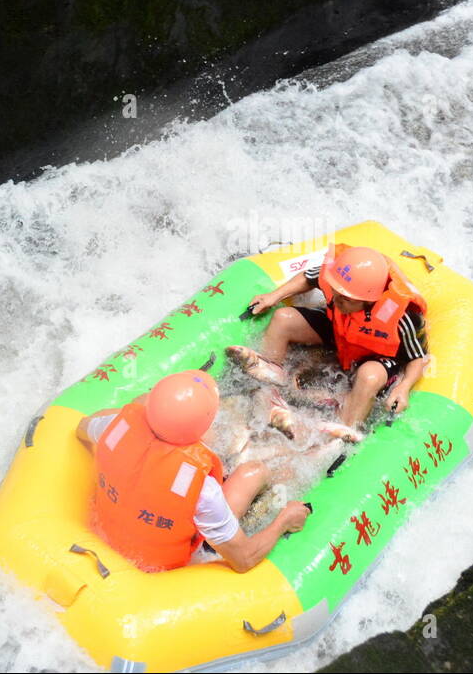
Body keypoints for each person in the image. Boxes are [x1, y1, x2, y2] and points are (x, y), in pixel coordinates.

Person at [75, 369, 309, 573]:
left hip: (108, 531)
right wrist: (284, 521)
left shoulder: (115, 428)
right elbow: (244, 559)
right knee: (254, 471)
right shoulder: (201, 490)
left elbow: (82, 427)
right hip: (160, 565)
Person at [228, 244, 429, 442]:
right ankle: (269, 389)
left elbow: (418, 357)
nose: (337, 299)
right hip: (340, 330)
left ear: (369, 300)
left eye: (346, 299)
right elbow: (309, 277)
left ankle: (341, 433)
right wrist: (274, 296)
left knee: (369, 376)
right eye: (336, 293)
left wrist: (403, 387)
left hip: (376, 354)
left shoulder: (402, 316)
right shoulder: (337, 277)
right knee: (283, 318)